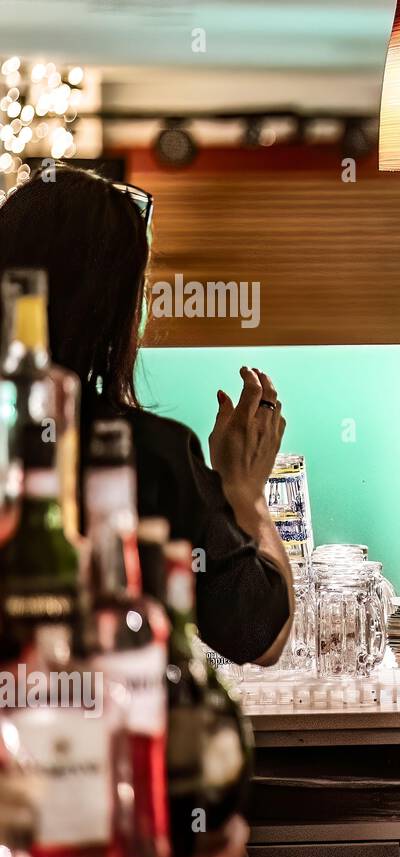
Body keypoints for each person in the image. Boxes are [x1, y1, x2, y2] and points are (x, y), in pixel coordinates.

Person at [0, 166, 294, 666]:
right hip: (94, 734)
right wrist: (244, 493)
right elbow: (259, 633)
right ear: (112, 306)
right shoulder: (145, 454)